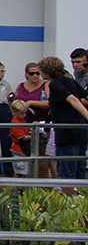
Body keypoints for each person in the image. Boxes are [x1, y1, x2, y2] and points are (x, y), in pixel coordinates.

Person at [38, 56, 88, 193]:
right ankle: (81, 203)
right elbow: (84, 98)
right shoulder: (70, 81)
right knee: (79, 170)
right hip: (81, 131)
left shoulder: (54, 84)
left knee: (67, 171)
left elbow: (74, 100)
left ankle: (69, 204)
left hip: (67, 132)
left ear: (47, 71)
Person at [14, 61, 53, 180]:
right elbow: (15, 102)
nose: (35, 76)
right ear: (26, 74)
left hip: (40, 121)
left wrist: (30, 103)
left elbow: (49, 102)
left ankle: (42, 184)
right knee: (22, 152)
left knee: (41, 153)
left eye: (38, 73)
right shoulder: (21, 86)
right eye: (32, 73)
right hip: (24, 122)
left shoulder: (45, 85)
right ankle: (21, 185)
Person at [9, 99, 32, 178]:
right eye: (22, 113)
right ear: (14, 112)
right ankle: (16, 189)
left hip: (23, 150)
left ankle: (20, 188)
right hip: (19, 149)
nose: (24, 115)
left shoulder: (22, 121)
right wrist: (35, 137)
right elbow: (22, 137)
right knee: (19, 171)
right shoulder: (15, 122)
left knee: (24, 171)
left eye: (25, 113)